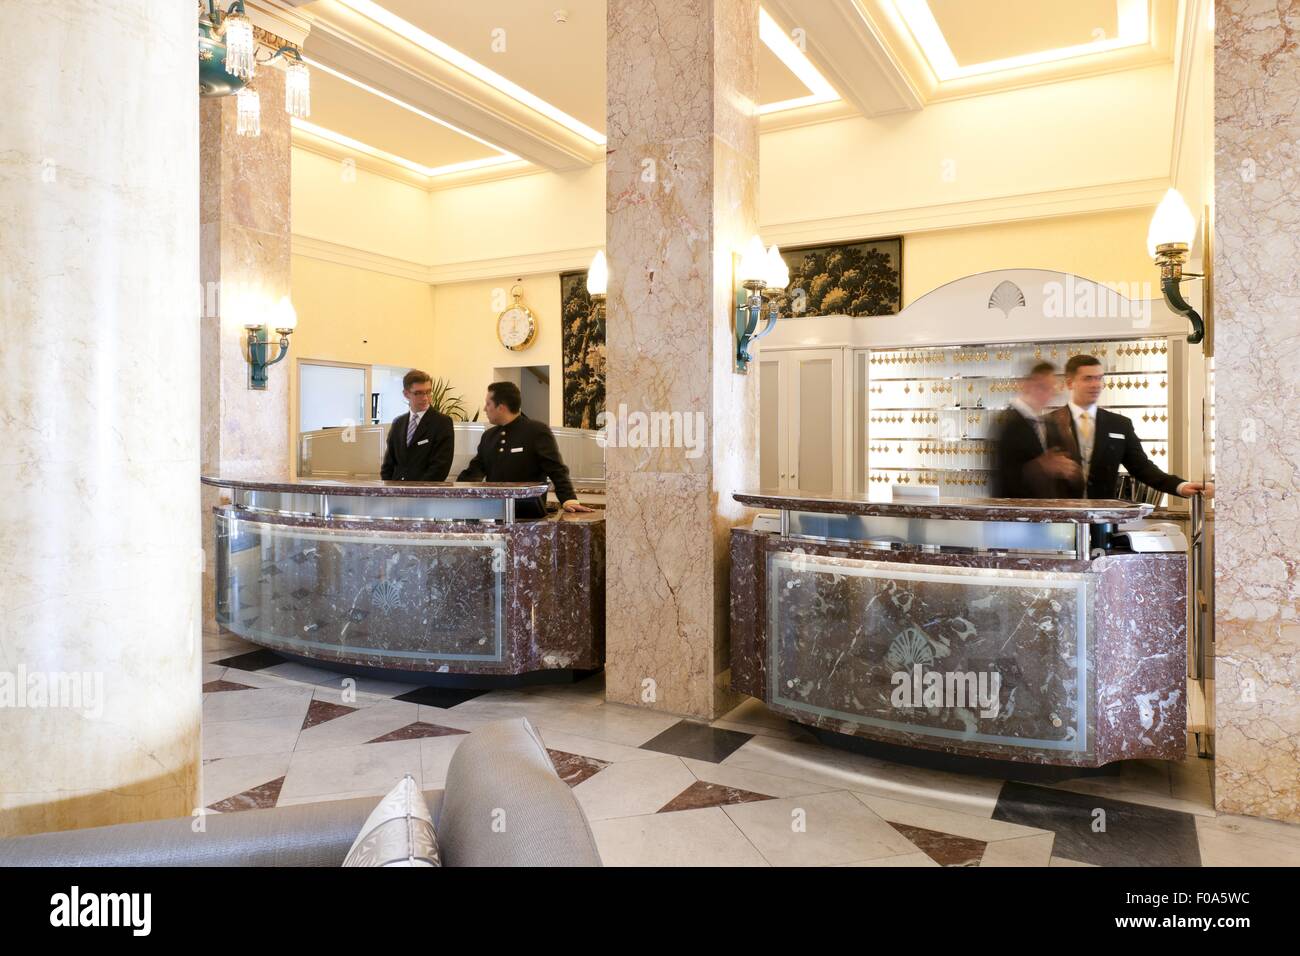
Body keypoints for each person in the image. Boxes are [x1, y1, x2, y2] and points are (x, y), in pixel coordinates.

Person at [1043, 354, 1211, 500]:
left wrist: (1180, 486)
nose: (1096, 384)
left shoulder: (1120, 424)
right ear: (1070, 383)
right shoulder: (1046, 424)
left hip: (1103, 520)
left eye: (1099, 378)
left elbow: (1142, 468)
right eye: (1088, 378)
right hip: (1059, 520)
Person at [458, 381, 593, 518]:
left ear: (501, 407)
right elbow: (474, 470)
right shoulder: (489, 436)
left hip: (529, 516)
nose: (484, 409)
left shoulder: (536, 431)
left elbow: (556, 469)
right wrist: (453, 491)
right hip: (494, 513)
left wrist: (568, 499)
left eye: (488, 404)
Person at [990, 361, 1080, 498]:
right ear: (1026, 385)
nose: (1046, 395)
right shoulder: (1006, 422)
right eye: (1042, 387)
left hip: (1044, 512)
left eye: (1051, 389)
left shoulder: (1048, 423)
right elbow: (1004, 478)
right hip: (1014, 515)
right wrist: (1041, 467)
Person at [380, 369, 455, 482]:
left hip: (424, 494)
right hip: (396, 492)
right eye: (418, 393)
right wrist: (390, 489)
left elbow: (440, 467)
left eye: (428, 392)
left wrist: (416, 491)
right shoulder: (398, 423)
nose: (425, 398)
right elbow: (389, 464)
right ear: (406, 394)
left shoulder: (442, 422)